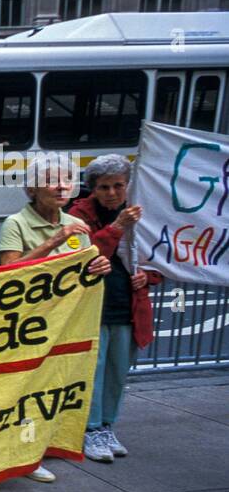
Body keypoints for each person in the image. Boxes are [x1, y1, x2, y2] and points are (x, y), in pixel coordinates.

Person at [0, 157, 113, 492]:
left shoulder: (75, 223)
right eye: (52, 180)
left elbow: (80, 269)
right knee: (0, 398)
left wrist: (98, 266)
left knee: (37, 395)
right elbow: (9, 273)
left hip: (54, 329)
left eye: (67, 179)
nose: (63, 186)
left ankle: (26, 458)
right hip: (15, 328)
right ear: (33, 188)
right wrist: (55, 240)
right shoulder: (16, 223)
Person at [67, 154, 158, 465]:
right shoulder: (79, 214)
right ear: (93, 188)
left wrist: (149, 276)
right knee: (94, 370)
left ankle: (107, 425)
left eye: (118, 186)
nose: (112, 193)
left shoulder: (141, 210)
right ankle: (90, 429)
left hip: (129, 308)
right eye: (104, 187)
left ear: (127, 186)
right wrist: (117, 226)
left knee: (118, 372)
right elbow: (86, 254)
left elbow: (157, 255)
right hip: (94, 308)